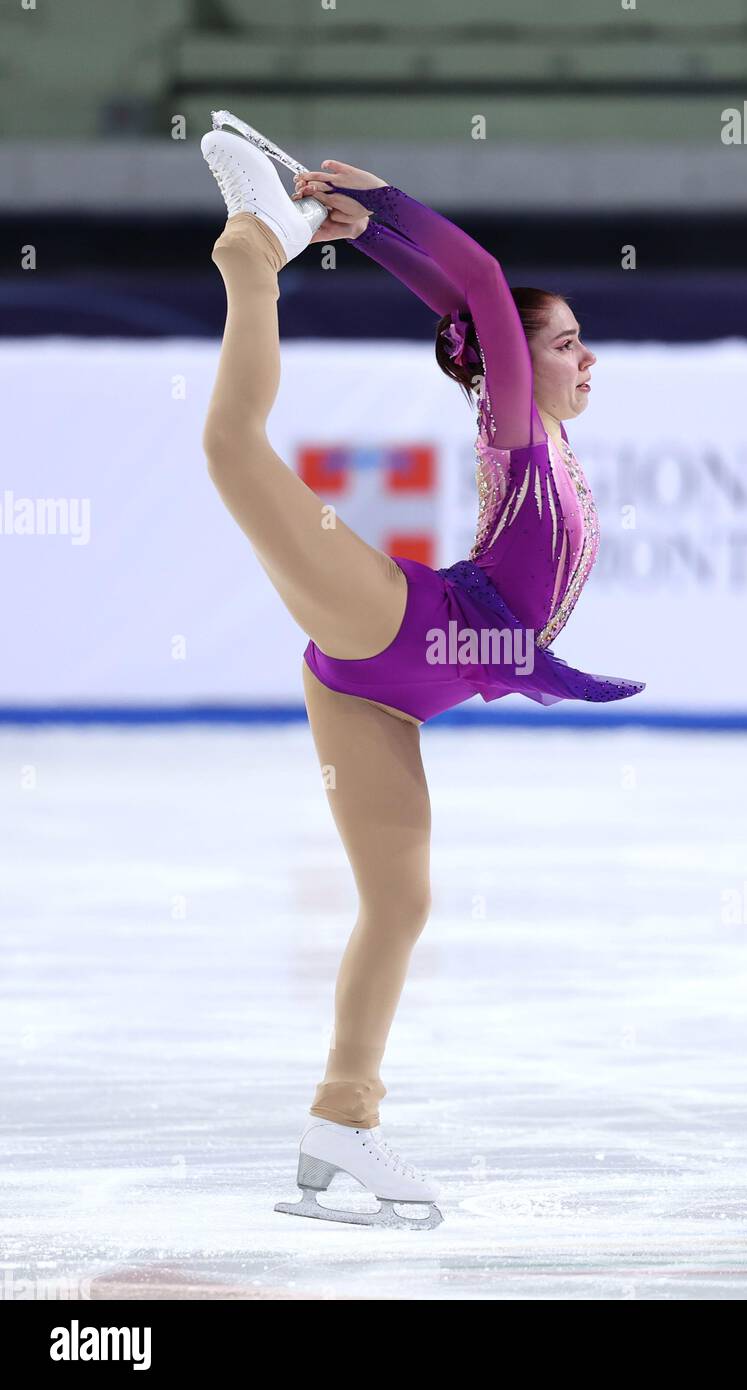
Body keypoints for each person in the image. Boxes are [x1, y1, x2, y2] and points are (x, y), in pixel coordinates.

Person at [199, 116, 645, 1228]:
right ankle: (249, 253)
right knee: (231, 448)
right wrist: (388, 207)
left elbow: (466, 305)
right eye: (565, 344)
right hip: (396, 626)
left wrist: (370, 235)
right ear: (511, 363)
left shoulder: (552, 439)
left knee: (399, 902)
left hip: (387, 691)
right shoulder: (514, 432)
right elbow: (484, 286)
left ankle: (342, 1120)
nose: (586, 358)